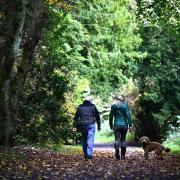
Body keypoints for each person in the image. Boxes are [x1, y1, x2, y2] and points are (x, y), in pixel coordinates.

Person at [109, 95, 132, 160]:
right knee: (123, 140)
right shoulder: (125, 106)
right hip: (124, 125)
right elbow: (128, 116)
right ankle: (123, 156)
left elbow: (110, 117)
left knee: (117, 140)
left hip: (116, 125)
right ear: (123, 100)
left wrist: (111, 125)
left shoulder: (113, 106)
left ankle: (117, 154)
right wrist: (130, 125)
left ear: (117, 99)